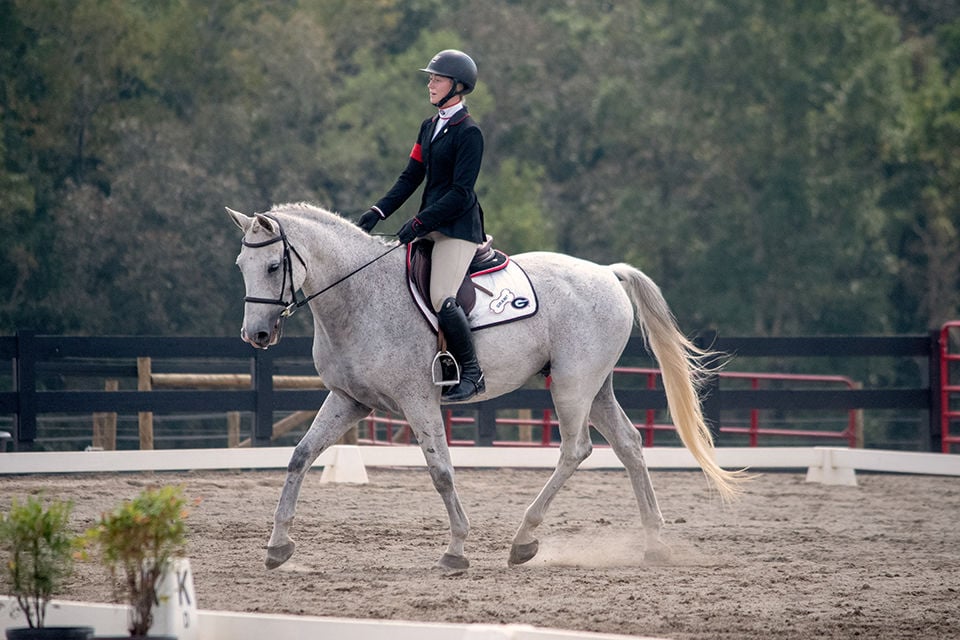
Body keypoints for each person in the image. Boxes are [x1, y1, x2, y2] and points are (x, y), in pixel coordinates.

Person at [356, 49, 486, 402]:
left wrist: (419, 221)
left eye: (437, 78)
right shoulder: (429, 127)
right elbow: (411, 175)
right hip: (428, 224)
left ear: (457, 87)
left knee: (442, 295)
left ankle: (472, 372)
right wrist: (378, 211)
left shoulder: (469, 133)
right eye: (430, 77)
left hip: (457, 228)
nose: (430, 83)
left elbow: (461, 193)